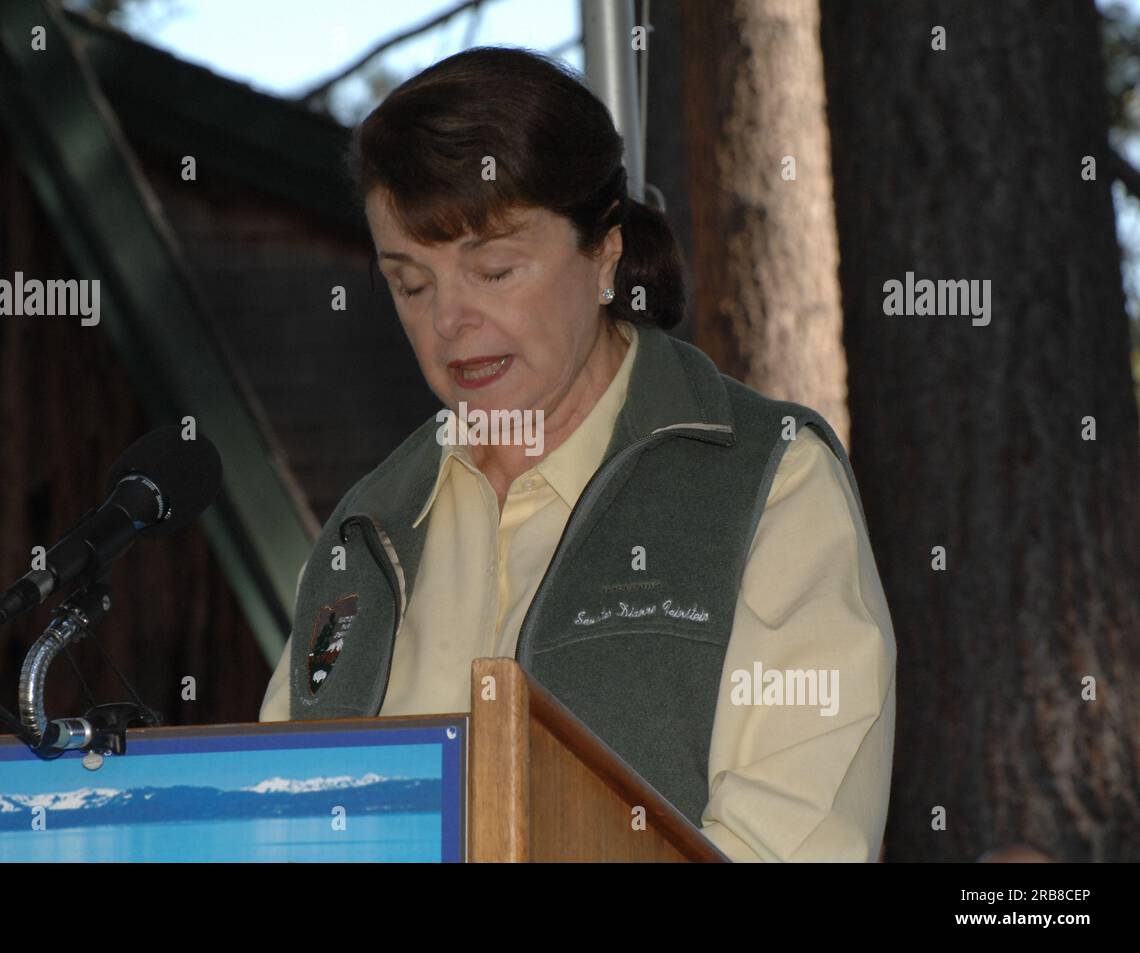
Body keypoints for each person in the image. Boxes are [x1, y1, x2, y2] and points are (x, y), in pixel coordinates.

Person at [259, 46, 896, 862]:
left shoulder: (764, 481)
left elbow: (791, 846)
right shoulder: (368, 530)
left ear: (604, 254)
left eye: (493, 268)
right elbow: (280, 821)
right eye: (411, 284)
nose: (450, 319)